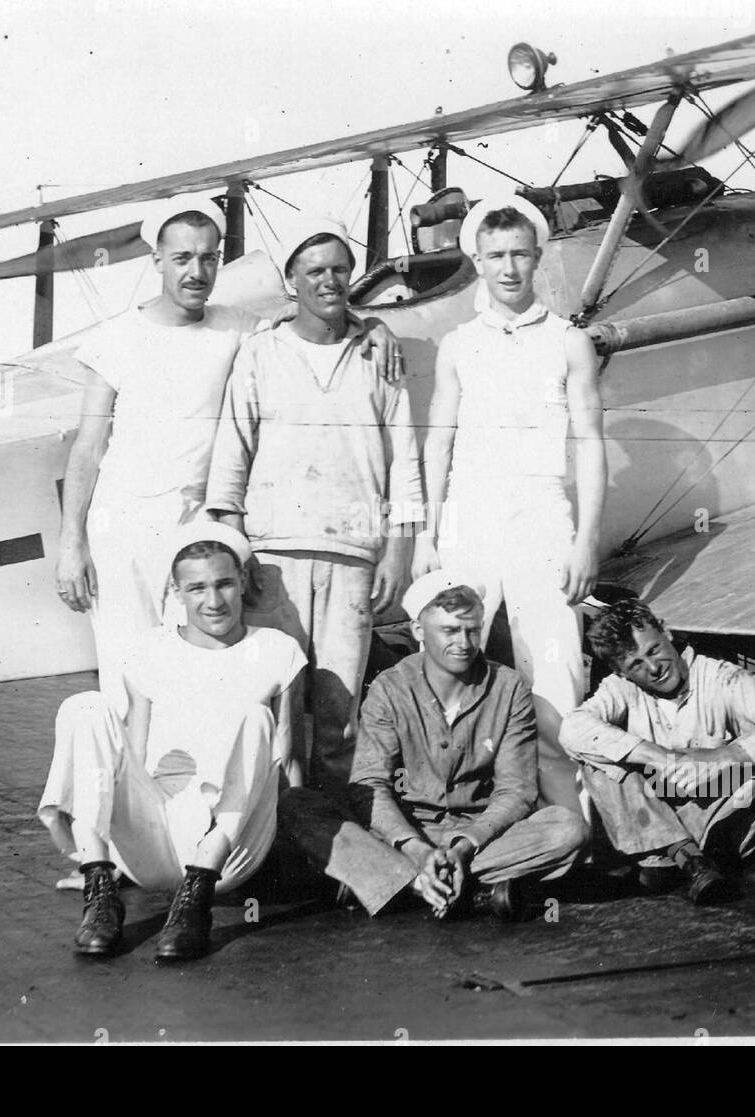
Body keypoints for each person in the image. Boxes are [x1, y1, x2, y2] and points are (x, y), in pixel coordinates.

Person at [55, 196, 403, 715]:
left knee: (202, 670)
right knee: (128, 678)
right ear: (156, 262)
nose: (197, 271)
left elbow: (308, 320)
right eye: (181, 258)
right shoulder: (114, 340)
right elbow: (88, 448)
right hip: (124, 525)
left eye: (209, 258)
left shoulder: (240, 326)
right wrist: (71, 545)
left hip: (199, 527)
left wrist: (372, 324)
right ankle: (133, 795)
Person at [206, 217, 425, 791]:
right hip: (272, 558)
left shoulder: (380, 356)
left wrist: (397, 555)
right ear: (291, 281)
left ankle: (336, 849)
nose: (329, 281)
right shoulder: (260, 354)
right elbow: (231, 461)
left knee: (339, 716)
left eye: (339, 269)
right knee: (274, 712)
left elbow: (405, 462)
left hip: (353, 555)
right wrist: (237, 553)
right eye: (314, 271)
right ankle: (277, 841)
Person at [413, 195, 606, 816]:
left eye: (521, 254)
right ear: (476, 259)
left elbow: (592, 445)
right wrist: (426, 534)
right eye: (495, 256)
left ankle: (568, 830)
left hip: (544, 518)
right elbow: (437, 443)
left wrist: (585, 541)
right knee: (447, 676)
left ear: (538, 256)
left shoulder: (569, 342)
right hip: (469, 519)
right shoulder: (458, 345)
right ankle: (450, 823)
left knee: (555, 685)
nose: (509, 268)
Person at [38, 521, 306, 961]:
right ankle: (99, 882)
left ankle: (195, 900)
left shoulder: (278, 648)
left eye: (224, 584)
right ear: (177, 593)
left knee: (252, 713)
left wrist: (301, 847)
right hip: (155, 833)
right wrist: (107, 829)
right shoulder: (150, 649)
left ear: (242, 583)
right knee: (84, 706)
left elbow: (288, 758)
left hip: (230, 848)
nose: (213, 601)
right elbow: (134, 753)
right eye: (197, 588)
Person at [279, 571, 590, 920]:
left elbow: (516, 790)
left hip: (479, 836)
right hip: (405, 832)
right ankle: (462, 890)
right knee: (296, 805)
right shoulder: (389, 688)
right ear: (417, 632)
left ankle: (397, 883)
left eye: (472, 629)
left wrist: (463, 846)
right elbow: (369, 786)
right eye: (449, 631)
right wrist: (415, 848)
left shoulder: (509, 687)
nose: (464, 643)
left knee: (567, 827)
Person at [560, 596, 755, 904]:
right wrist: (658, 756)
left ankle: (691, 859)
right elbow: (572, 728)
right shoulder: (620, 688)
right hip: (659, 823)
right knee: (597, 757)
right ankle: (687, 861)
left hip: (717, 822)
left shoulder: (722, 677)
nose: (653, 668)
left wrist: (723, 757)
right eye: (636, 664)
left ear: (665, 632)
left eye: (653, 650)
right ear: (620, 671)